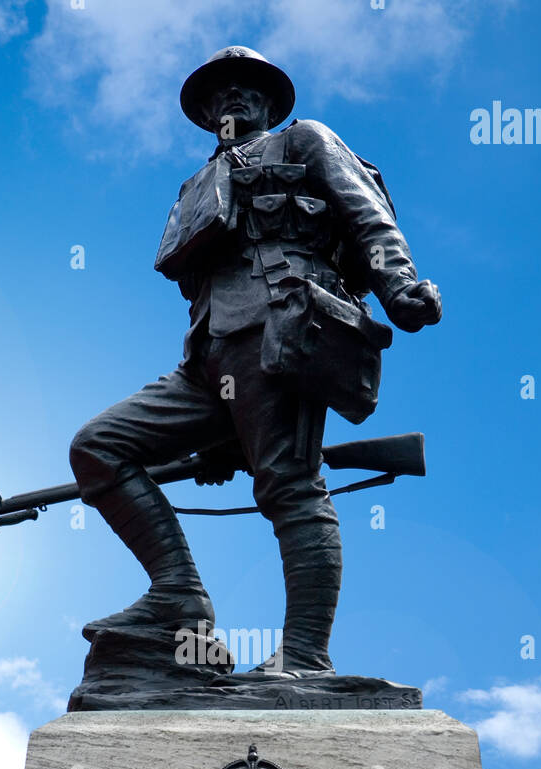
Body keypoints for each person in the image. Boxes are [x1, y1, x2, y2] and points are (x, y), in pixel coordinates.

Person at [69, 46, 441, 676]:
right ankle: (177, 596)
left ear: (269, 101)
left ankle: (302, 657)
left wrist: (400, 286)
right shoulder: (194, 187)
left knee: (291, 487)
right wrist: (223, 435)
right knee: (98, 447)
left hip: (286, 331)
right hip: (209, 359)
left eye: (246, 89)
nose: (232, 99)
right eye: (219, 93)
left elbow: (369, 218)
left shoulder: (305, 142)